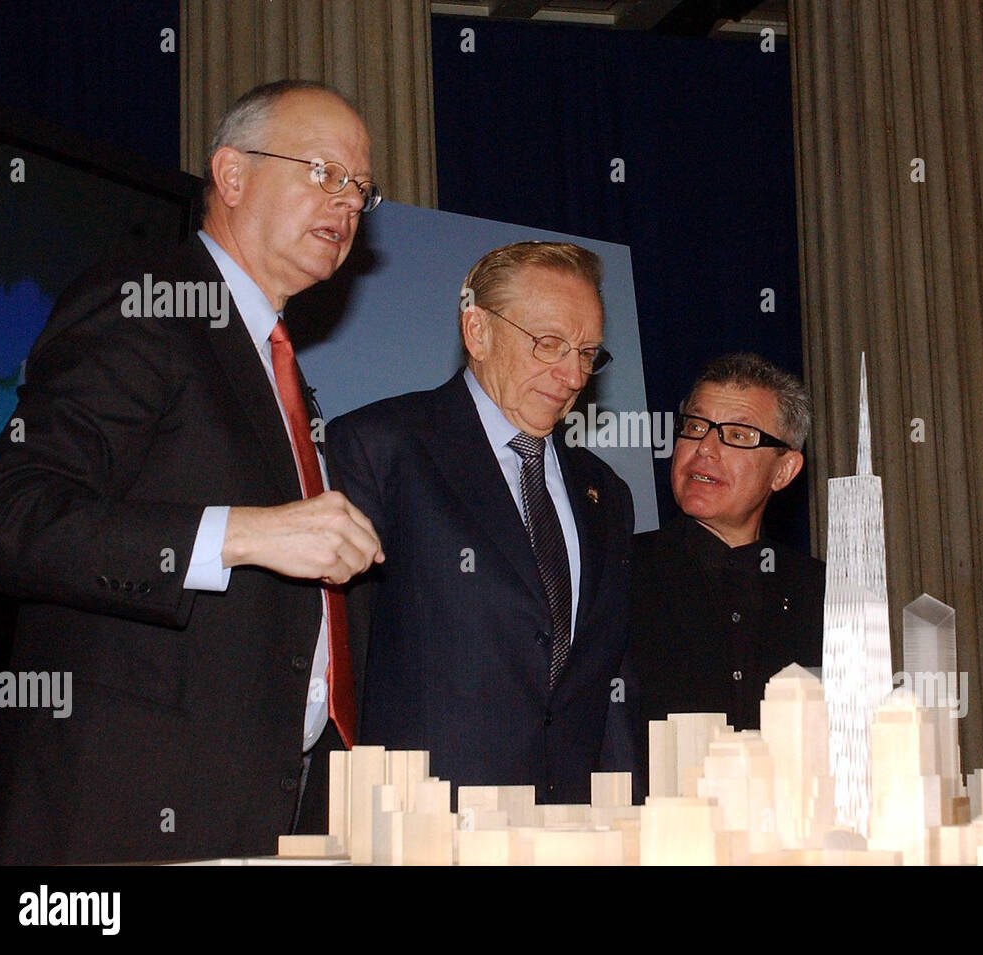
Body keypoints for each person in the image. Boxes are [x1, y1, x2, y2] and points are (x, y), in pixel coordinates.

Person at [0, 80, 384, 864]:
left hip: (259, 810)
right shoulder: (144, 303)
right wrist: (242, 533)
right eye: (323, 172)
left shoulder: (278, 367)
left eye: (361, 188)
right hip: (120, 821)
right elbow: (9, 519)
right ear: (231, 175)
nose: (348, 204)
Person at [328, 241, 637, 805]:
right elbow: (341, 666)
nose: (571, 375)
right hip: (425, 823)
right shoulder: (383, 448)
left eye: (587, 353)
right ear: (478, 331)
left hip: (571, 830)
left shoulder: (607, 495)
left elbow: (609, 681)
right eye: (549, 344)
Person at [630, 353, 825, 745]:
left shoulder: (823, 594)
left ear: (784, 470)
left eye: (737, 435)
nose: (705, 447)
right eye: (696, 425)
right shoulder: (619, 571)